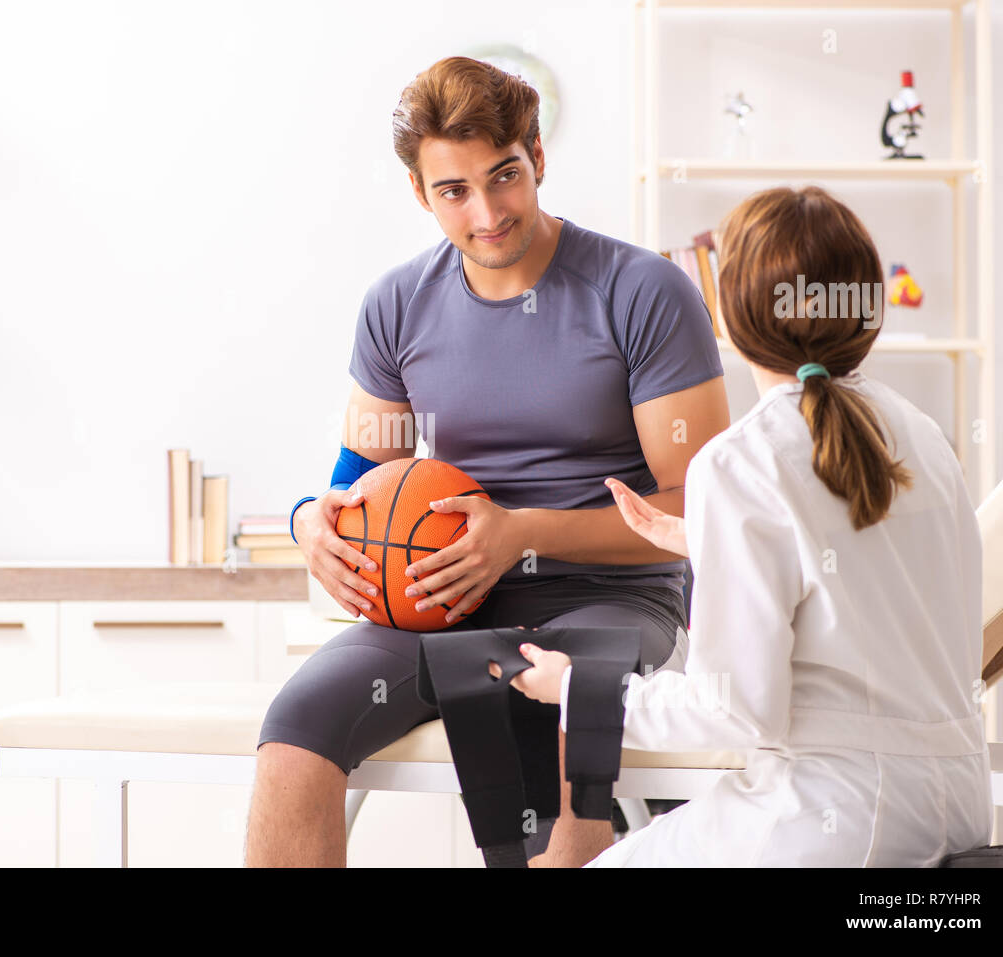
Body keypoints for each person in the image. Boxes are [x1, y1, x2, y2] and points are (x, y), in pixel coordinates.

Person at [243, 56, 730, 867]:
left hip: (611, 600)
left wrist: (520, 533)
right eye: (453, 190)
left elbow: (700, 515)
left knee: (563, 753)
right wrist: (309, 523)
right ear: (418, 192)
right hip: (441, 601)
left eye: (503, 176)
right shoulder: (397, 305)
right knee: (295, 734)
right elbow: (354, 481)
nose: (487, 211)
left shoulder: (643, 292)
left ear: (537, 153)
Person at [511, 185, 994, 867]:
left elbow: (734, 710)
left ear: (731, 319)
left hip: (836, 817)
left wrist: (574, 688)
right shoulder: (924, 436)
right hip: (961, 802)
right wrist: (713, 539)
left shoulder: (740, 460)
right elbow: (867, 569)